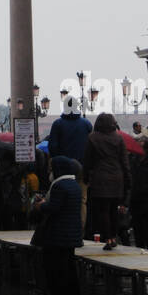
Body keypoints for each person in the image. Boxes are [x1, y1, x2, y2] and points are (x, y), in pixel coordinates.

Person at [32, 156, 83, 295]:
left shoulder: (59, 186)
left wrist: (40, 205)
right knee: (68, 267)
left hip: (59, 234)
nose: (49, 171)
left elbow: (53, 208)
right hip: (72, 233)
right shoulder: (74, 184)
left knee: (55, 267)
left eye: (51, 168)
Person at [82, 113, 129, 250]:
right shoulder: (119, 139)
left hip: (100, 178)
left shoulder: (92, 138)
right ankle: (113, 237)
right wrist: (128, 180)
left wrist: (86, 177)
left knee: (103, 210)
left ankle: (107, 238)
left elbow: (87, 160)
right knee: (114, 210)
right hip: (117, 178)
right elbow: (125, 162)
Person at [48, 95, 93, 232]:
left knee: (60, 199)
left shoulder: (58, 124)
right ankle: (80, 230)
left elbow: (53, 147)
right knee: (82, 201)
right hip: (82, 168)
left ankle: (63, 229)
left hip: (63, 171)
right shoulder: (86, 124)